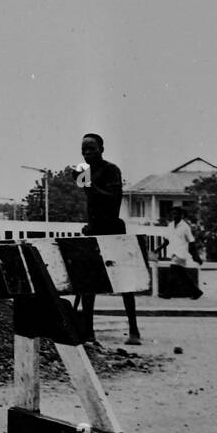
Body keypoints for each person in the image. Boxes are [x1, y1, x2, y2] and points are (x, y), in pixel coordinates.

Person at [77, 132, 142, 345]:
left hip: (113, 229)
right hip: (94, 230)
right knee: (88, 283)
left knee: (124, 282)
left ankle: (133, 330)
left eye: (91, 148)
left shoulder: (112, 170)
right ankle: (88, 332)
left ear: (102, 149)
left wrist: (90, 187)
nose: (87, 153)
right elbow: (90, 202)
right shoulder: (84, 172)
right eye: (84, 150)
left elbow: (113, 200)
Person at [168, 206, 204, 299]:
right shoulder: (170, 225)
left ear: (181, 215)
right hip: (173, 253)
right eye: (173, 213)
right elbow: (167, 240)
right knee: (181, 275)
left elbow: (191, 242)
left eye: (176, 213)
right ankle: (196, 292)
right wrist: (158, 250)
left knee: (174, 271)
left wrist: (196, 256)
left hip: (181, 253)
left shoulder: (185, 227)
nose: (174, 215)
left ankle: (167, 293)